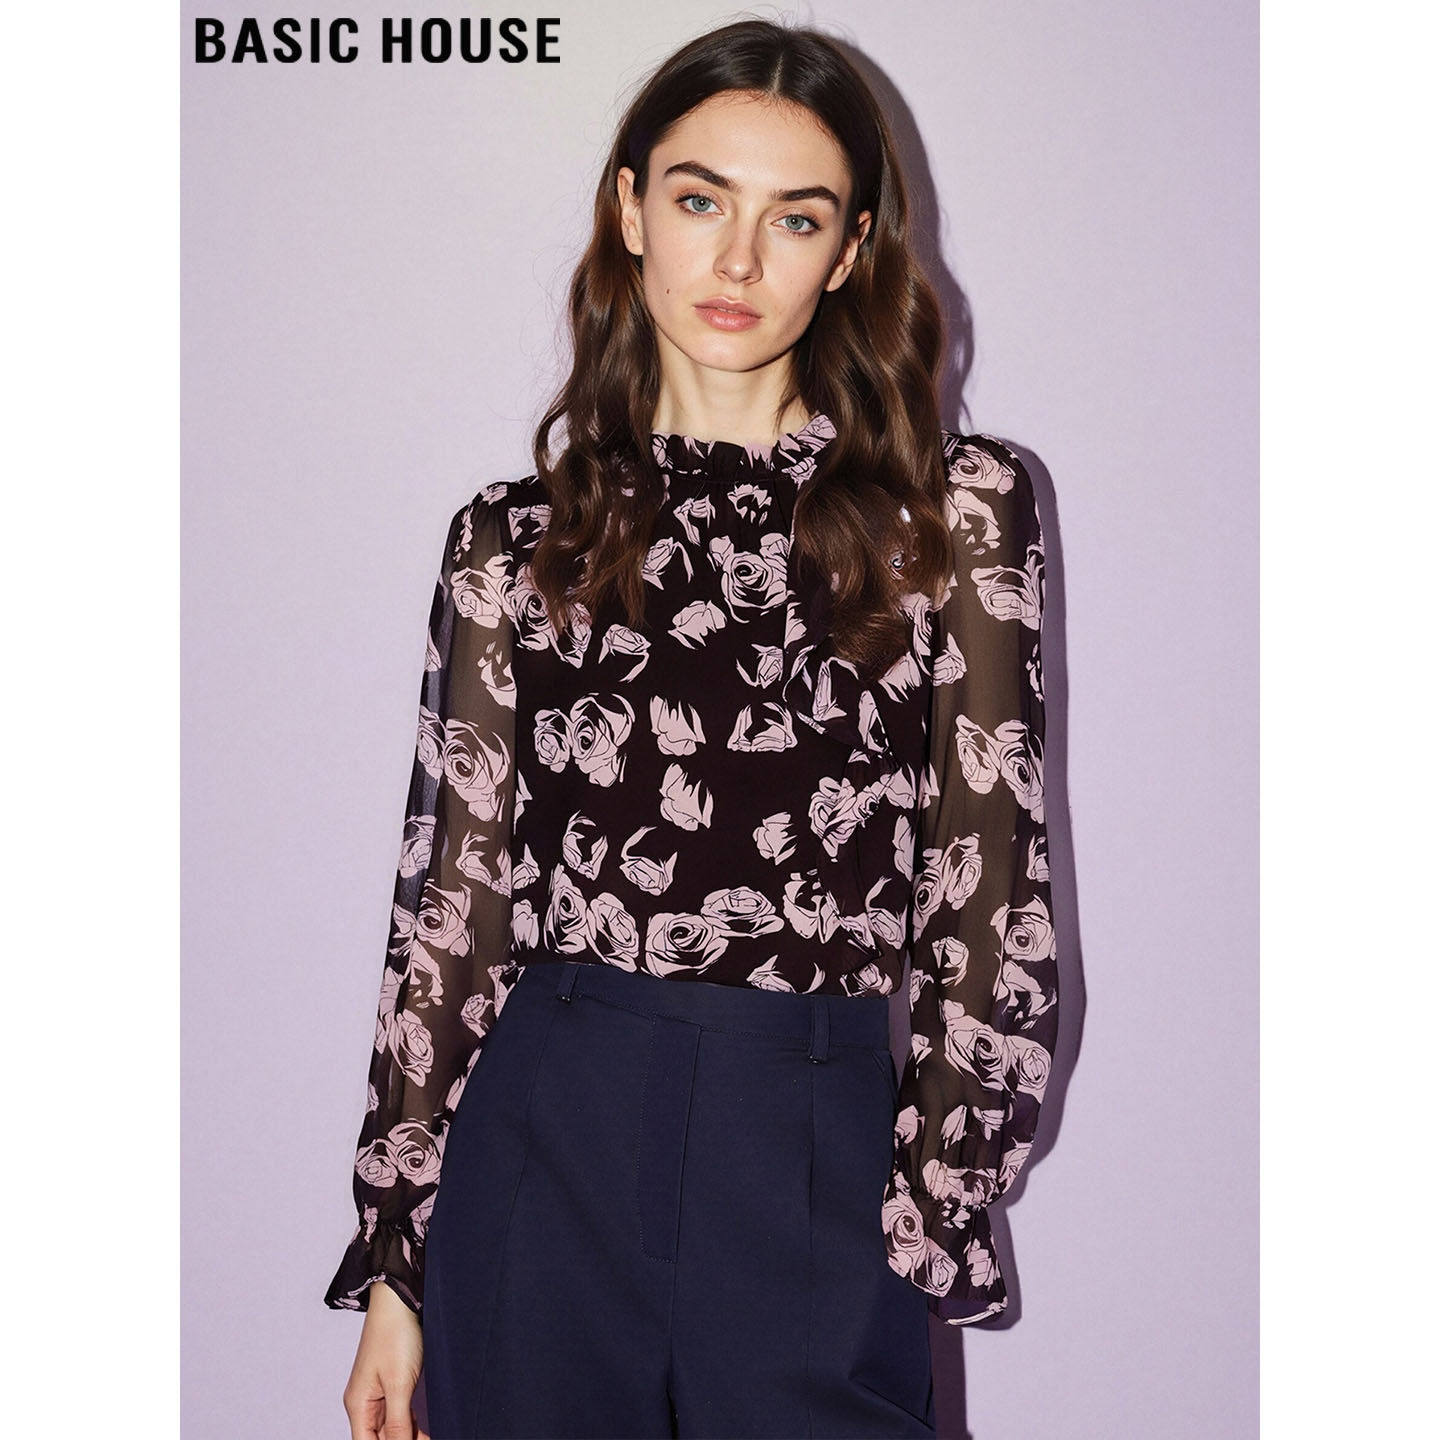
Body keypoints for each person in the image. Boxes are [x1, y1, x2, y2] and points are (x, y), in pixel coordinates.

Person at [324, 18, 1059, 1440]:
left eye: (797, 218)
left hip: (810, 1137)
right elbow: (451, 914)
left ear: (849, 252)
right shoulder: (517, 541)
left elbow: (991, 886)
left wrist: (932, 1203)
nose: (739, 259)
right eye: (701, 198)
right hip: (546, 1136)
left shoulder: (955, 516)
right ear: (631, 209)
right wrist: (398, 1267)